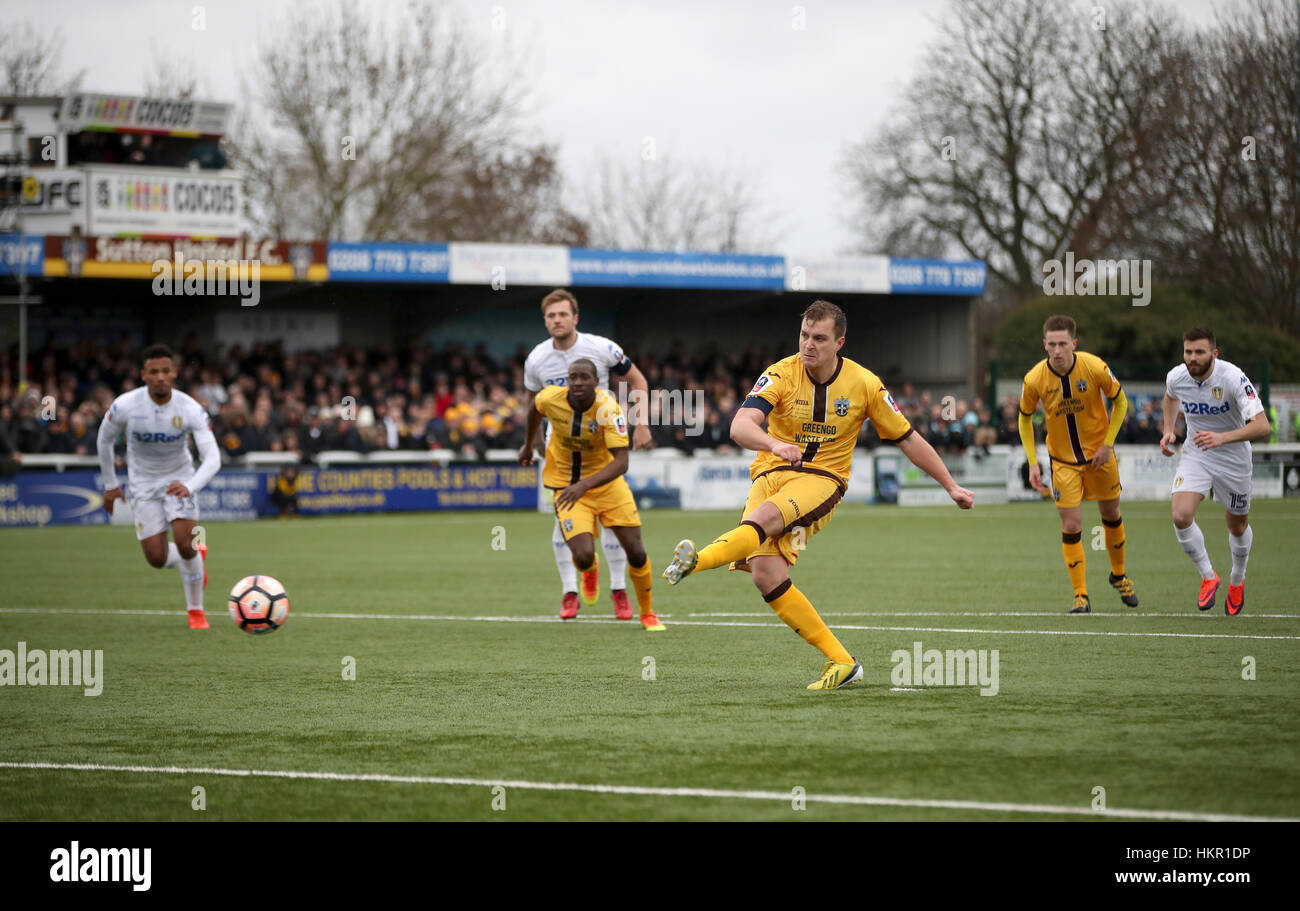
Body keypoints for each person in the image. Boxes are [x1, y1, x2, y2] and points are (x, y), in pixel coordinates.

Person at [661, 301, 974, 690]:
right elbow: (740, 427)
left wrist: (950, 485)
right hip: (769, 474)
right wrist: (775, 445)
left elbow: (908, 438)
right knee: (766, 573)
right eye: (804, 335)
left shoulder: (865, 384)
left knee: (762, 524)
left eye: (820, 338)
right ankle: (843, 662)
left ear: (839, 342)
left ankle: (697, 561)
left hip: (822, 480)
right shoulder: (780, 374)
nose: (809, 345)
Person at [523, 288, 653, 620]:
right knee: (565, 522)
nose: (557, 320)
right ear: (545, 321)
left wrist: (641, 425)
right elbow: (533, 404)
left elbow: (637, 381)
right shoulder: (537, 359)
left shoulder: (602, 348)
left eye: (562, 314)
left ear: (575, 318)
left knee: (613, 524)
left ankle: (619, 589)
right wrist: (533, 439)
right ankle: (571, 590)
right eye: (551, 315)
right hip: (561, 450)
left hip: (605, 444)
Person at [1018, 315, 1137, 614]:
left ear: (1074, 343)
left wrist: (1108, 444)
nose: (1057, 350)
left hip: (1100, 457)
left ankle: (1119, 575)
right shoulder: (1034, 379)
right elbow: (1024, 418)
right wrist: (1033, 462)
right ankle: (1081, 596)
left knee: (1111, 514)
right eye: (1052, 344)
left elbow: (1121, 402)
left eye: (1063, 343)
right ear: (1044, 344)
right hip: (1063, 463)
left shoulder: (1094, 367)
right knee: (1071, 526)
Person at [97, 344, 221, 629]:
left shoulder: (190, 408)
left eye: (166, 371)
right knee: (156, 558)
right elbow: (104, 440)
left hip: (179, 480)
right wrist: (110, 484)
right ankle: (193, 559)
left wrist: (190, 486)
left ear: (175, 373)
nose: (161, 377)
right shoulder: (125, 406)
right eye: (154, 372)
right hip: (142, 485)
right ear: (144, 375)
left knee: (187, 542)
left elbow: (213, 457)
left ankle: (196, 611)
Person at [1160, 328, 1270, 615]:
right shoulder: (1177, 376)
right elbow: (1170, 397)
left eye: (1199, 352)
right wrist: (1170, 431)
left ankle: (1237, 579)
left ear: (1214, 353)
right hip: (1197, 453)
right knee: (1180, 515)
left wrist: (1222, 437)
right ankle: (1209, 576)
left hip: (1233, 459)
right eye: (1188, 352)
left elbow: (1262, 426)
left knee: (1237, 526)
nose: (1192, 358)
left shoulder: (1232, 377)